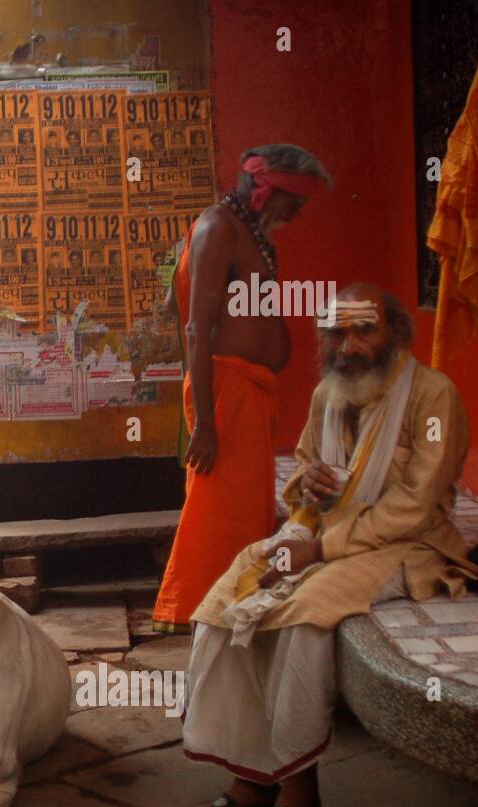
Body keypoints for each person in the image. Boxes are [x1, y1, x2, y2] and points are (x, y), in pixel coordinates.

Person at [179, 284, 478, 807]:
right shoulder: (327, 394)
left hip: (410, 547)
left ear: (394, 331)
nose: (350, 345)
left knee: (305, 617)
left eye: (364, 330)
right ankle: (252, 780)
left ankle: (300, 799)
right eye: (337, 333)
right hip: (324, 533)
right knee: (234, 591)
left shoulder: (434, 396)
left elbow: (416, 504)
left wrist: (322, 549)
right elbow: (304, 472)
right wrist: (307, 489)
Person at [151, 144, 331, 635]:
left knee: (246, 509)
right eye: (296, 198)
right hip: (225, 393)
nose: (299, 210)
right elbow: (194, 328)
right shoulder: (217, 227)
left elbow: (176, 299)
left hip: (252, 391)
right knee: (218, 509)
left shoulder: (250, 234)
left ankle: (233, 604)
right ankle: (196, 613)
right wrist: (205, 427)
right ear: (270, 190)